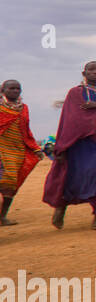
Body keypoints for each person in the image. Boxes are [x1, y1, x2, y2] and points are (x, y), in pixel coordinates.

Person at [43, 62, 96, 231]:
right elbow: (69, 120)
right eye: (91, 70)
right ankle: (61, 209)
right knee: (72, 178)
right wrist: (62, 146)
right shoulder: (75, 93)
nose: (95, 72)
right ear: (84, 73)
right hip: (78, 142)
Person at [0, 80, 42, 225]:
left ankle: (2, 216)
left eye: (18, 88)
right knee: (5, 179)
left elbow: (26, 130)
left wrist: (35, 148)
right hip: (1, 149)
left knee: (12, 184)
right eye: (11, 88)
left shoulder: (23, 108)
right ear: (2, 90)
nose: (15, 91)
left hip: (17, 150)